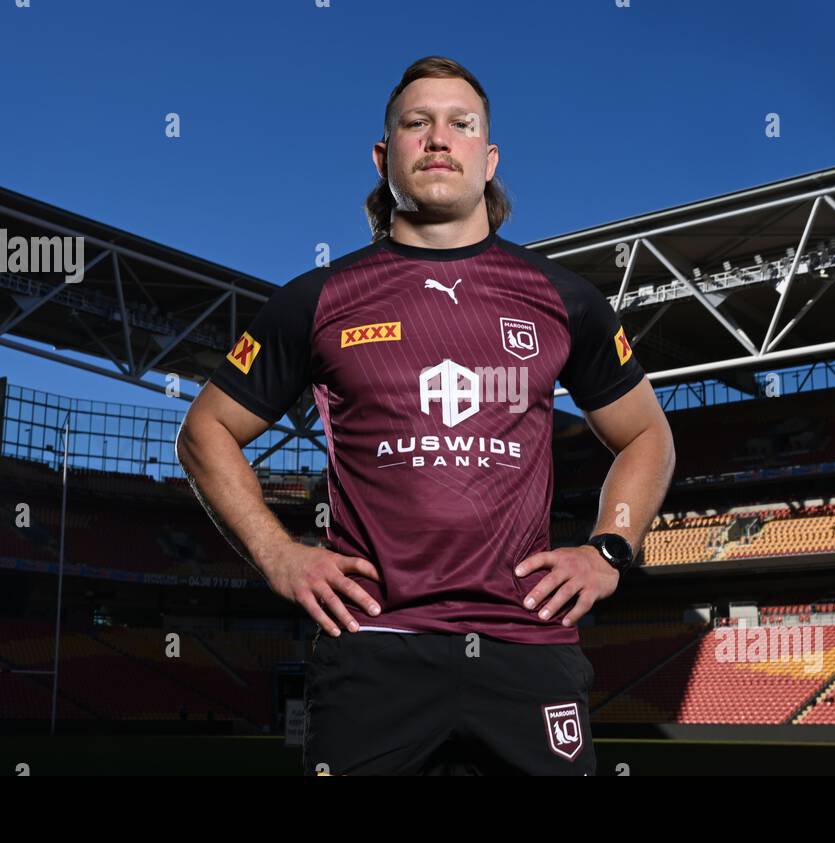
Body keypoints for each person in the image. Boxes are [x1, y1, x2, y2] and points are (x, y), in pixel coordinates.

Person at [177, 56, 674, 775]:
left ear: (488, 156)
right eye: (417, 124)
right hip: (373, 650)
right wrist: (279, 554)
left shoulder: (563, 299)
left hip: (526, 649)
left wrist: (609, 550)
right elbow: (205, 430)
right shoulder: (318, 298)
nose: (439, 138)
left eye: (460, 124)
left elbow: (647, 434)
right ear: (385, 156)